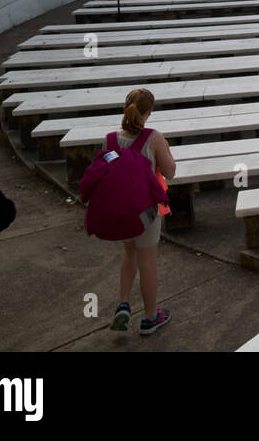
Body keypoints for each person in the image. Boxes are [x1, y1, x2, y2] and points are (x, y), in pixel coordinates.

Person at [105, 89, 175, 336]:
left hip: (120, 210)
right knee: (147, 261)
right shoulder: (153, 137)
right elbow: (170, 172)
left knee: (129, 256)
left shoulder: (110, 139)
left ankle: (123, 304)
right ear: (149, 112)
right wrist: (165, 149)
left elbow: (104, 169)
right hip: (146, 211)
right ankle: (149, 317)